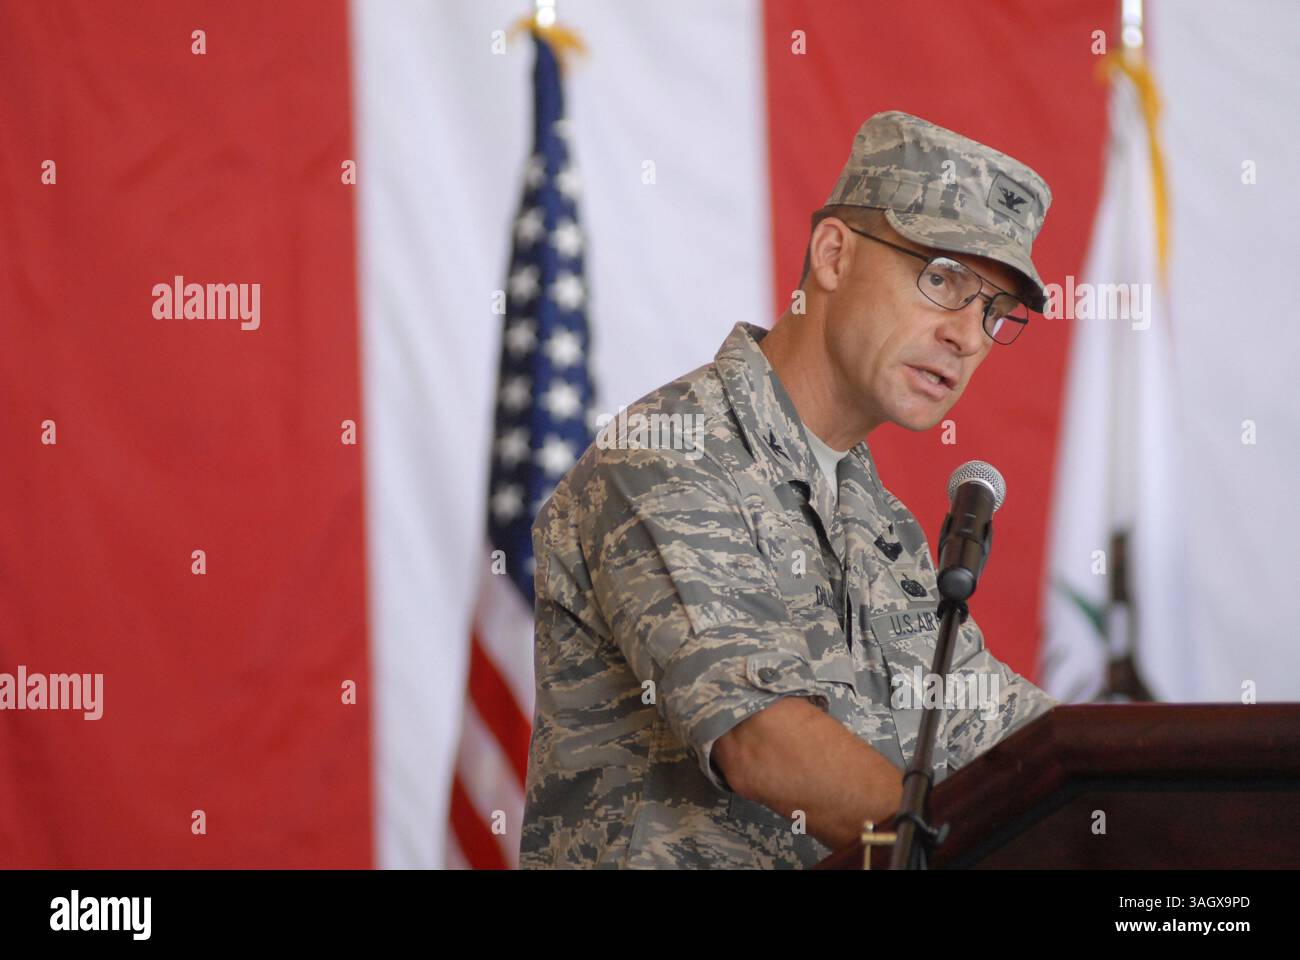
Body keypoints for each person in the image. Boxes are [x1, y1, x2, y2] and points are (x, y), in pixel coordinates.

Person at [519, 110, 1060, 868]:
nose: (967, 338)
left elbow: (1011, 743)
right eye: (943, 279)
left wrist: (1138, 816)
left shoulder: (882, 526)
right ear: (833, 254)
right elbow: (762, 742)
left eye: (994, 311)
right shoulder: (669, 453)